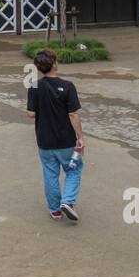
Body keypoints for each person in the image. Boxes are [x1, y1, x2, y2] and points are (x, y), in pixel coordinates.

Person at [26, 48, 84, 222]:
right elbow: (73, 114)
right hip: (66, 141)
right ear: (54, 64)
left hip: (44, 141)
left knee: (50, 174)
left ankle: (55, 210)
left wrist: (44, 110)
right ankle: (67, 202)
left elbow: (30, 113)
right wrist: (80, 137)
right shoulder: (68, 86)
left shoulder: (34, 86)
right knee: (73, 171)